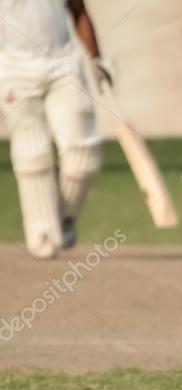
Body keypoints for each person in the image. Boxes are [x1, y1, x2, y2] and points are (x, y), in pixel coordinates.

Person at [0, 0, 107, 259]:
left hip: (64, 66)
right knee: (32, 152)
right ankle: (42, 230)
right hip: (13, 72)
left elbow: (78, 11)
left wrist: (97, 59)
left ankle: (63, 218)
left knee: (84, 155)